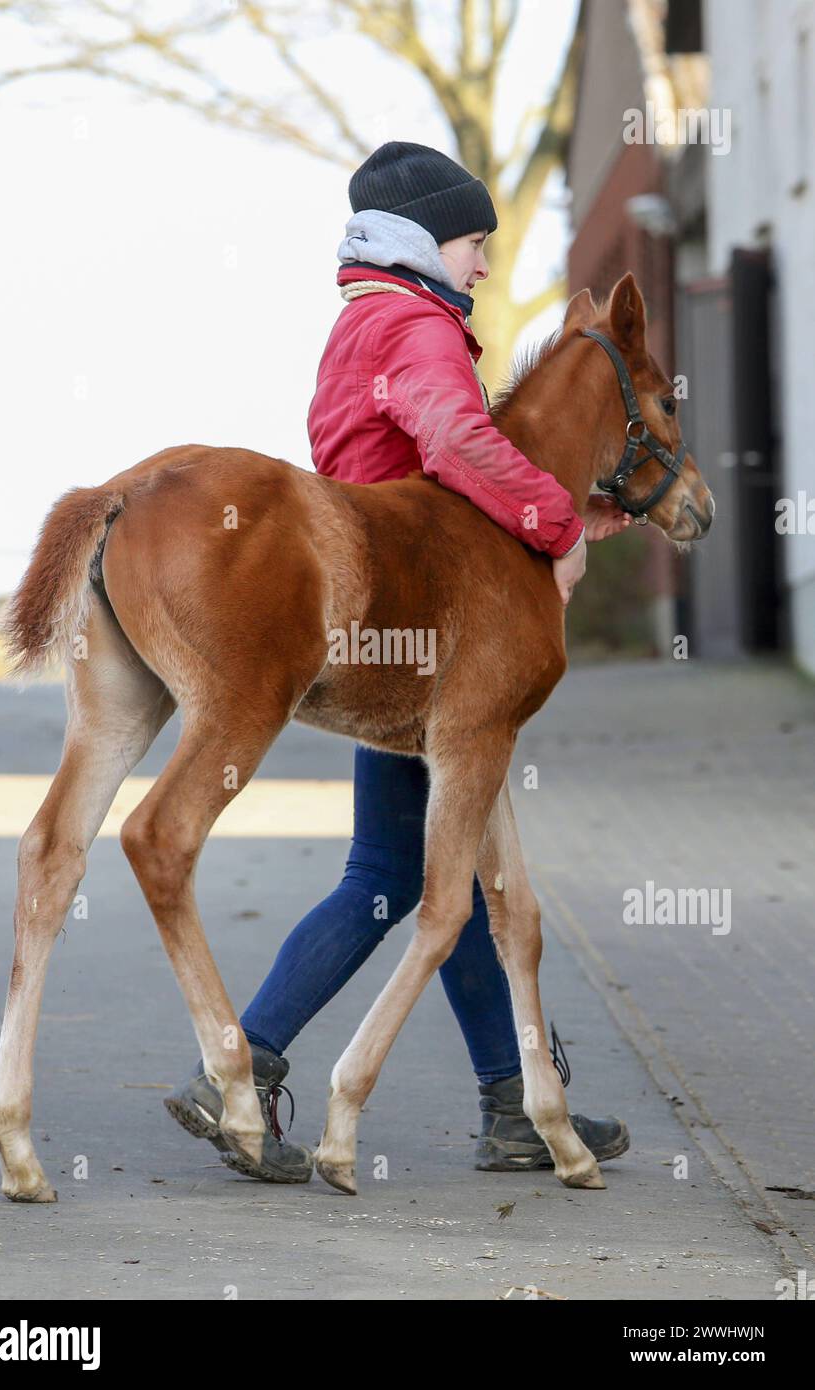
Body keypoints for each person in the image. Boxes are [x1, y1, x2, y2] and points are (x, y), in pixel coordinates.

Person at [165, 141, 631, 1182]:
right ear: (425, 239)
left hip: (385, 608)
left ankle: (509, 1104)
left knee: (427, 870)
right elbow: (453, 437)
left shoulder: (359, 319)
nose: (480, 267)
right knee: (397, 875)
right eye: (473, 244)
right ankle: (246, 1058)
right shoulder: (415, 325)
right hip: (419, 611)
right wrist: (554, 522)